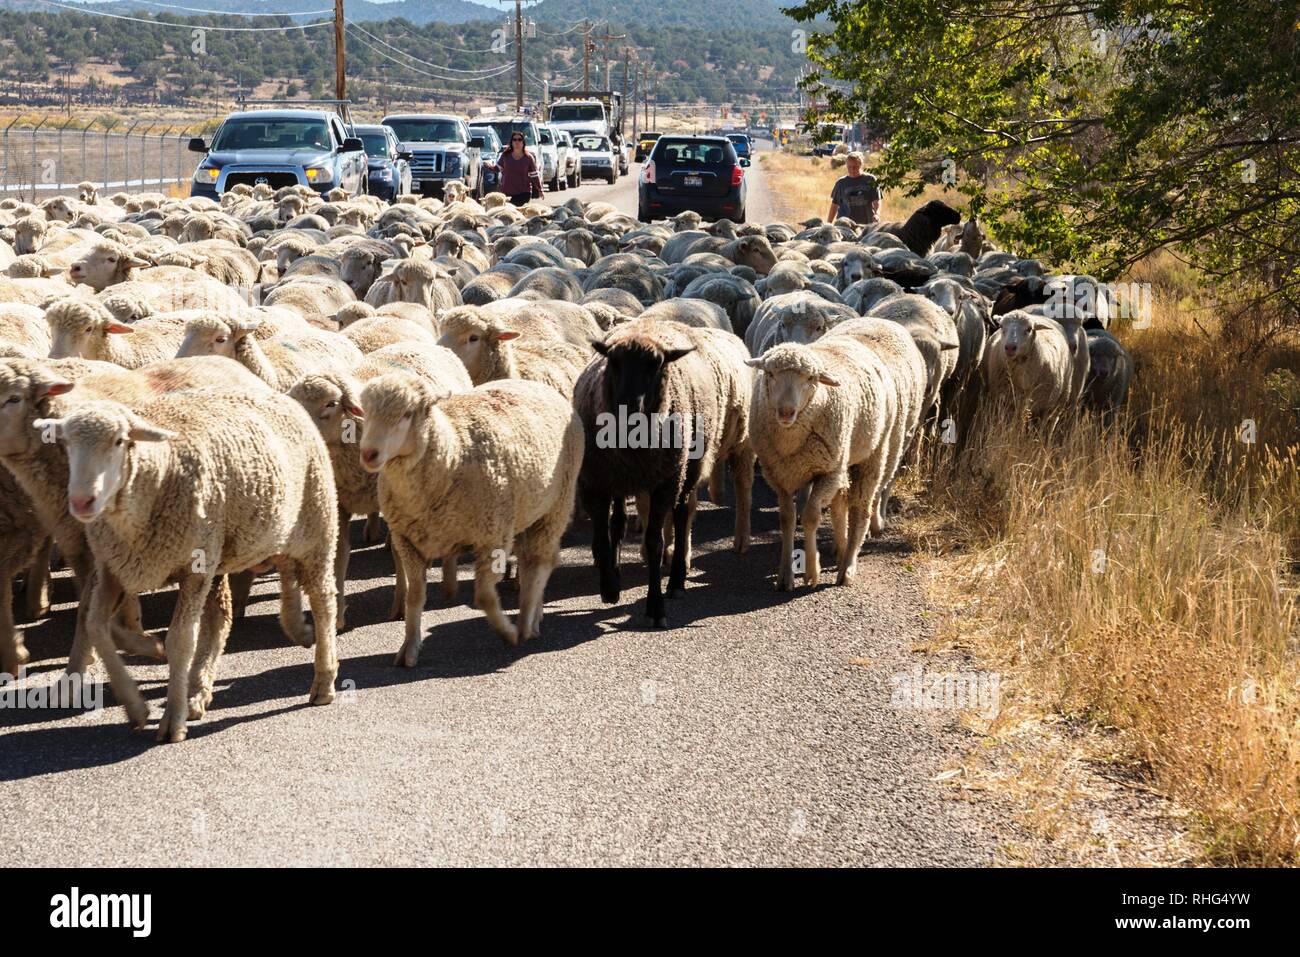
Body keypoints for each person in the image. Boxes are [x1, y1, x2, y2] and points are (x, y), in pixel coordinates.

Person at [827, 152, 881, 225]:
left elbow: (876, 200)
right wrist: (829, 224)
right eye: (849, 167)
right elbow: (834, 205)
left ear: (860, 165)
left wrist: (877, 214)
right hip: (845, 225)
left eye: (855, 167)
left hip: (866, 224)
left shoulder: (870, 179)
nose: (852, 170)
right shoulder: (841, 183)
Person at [498, 131, 543, 207]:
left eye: (519, 139)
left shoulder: (528, 158)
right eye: (514, 139)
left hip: (523, 193)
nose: (517, 142)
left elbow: (534, 175)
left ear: (523, 142)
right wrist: (488, 166)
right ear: (511, 142)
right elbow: (497, 168)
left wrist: (540, 189)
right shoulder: (505, 156)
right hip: (507, 193)